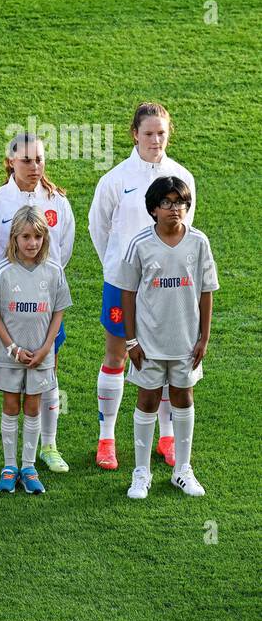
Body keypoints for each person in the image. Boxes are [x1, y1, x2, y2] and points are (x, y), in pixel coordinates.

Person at [88, 103, 196, 471]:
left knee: (165, 357)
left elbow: (183, 233)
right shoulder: (115, 180)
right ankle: (106, 439)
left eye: (161, 133)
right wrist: (119, 269)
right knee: (117, 355)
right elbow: (99, 228)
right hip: (123, 284)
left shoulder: (182, 176)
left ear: (169, 134)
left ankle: (166, 437)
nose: (155, 140)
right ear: (134, 133)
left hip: (167, 286)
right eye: (148, 133)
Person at [0, 131, 75, 474]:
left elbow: (63, 252)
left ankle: (49, 445)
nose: (34, 165)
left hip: (42, 307)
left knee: (47, 372)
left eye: (39, 158)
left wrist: (40, 287)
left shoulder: (58, 202)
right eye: (26, 159)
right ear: (10, 162)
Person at [116, 177, 216, 498]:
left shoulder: (199, 242)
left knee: (183, 398)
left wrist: (204, 338)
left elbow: (206, 291)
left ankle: (182, 470)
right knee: (146, 400)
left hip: (186, 342)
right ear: (154, 209)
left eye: (180, 203)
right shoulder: (140, 244)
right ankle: (141, 472)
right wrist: (131, 341)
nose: (175, 209)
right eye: (167, 203)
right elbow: (128, 294)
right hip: (148, 344)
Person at [0, 207, 71, 494]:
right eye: (25, 237)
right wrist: (12, 348)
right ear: (14, 238)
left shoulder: (54, 271)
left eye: (37, 237)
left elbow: (58, 312)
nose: (31, 243)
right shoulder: (1, 271)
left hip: (40, 355)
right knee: (10, 405)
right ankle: (9, 466)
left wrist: (46, 348)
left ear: (45, 238)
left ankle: (29, 466)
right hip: (10, 355)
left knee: (33, 406)